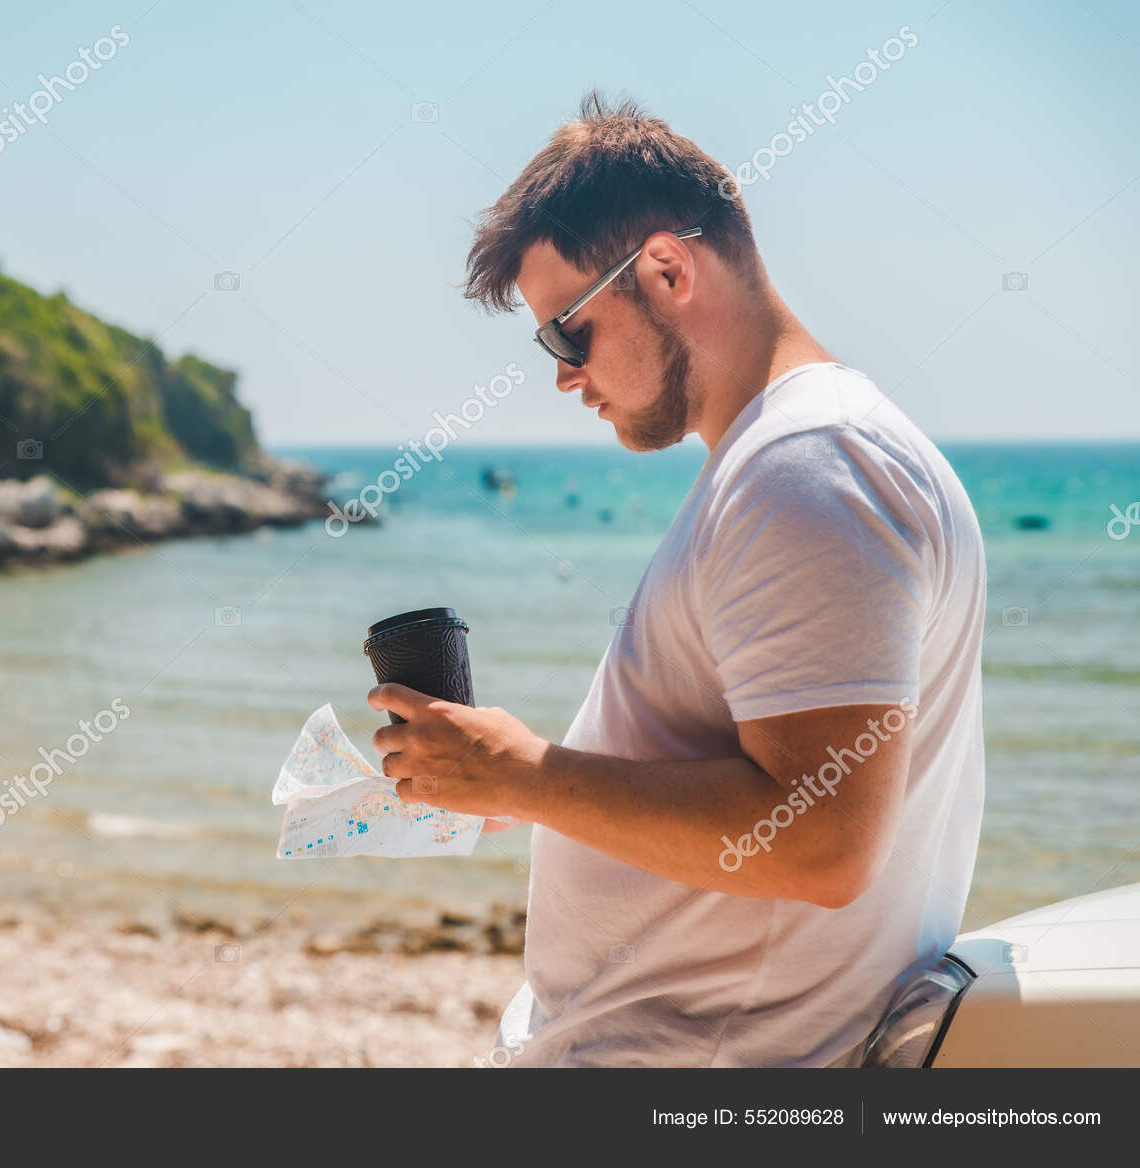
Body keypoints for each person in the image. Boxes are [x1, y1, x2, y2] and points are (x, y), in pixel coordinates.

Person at [367, 94, 986, 1067]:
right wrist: (519, 786)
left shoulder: (809, 463)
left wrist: (529, 772)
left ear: (666, 268)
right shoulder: (786, 458)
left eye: (566, 334)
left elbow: (820, 838)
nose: (563, 376)